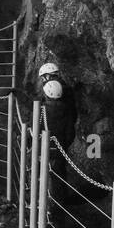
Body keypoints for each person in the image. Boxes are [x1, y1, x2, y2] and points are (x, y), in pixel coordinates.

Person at [39, 62, 79, 207]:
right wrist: (64, 144)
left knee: (48, 171)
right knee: (59, 171)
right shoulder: (66, 106)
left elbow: (37, 124)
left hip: (47, 143)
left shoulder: (43, 110)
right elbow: (70, 130)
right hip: (61, 143)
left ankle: (50, 201)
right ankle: (59, 199)